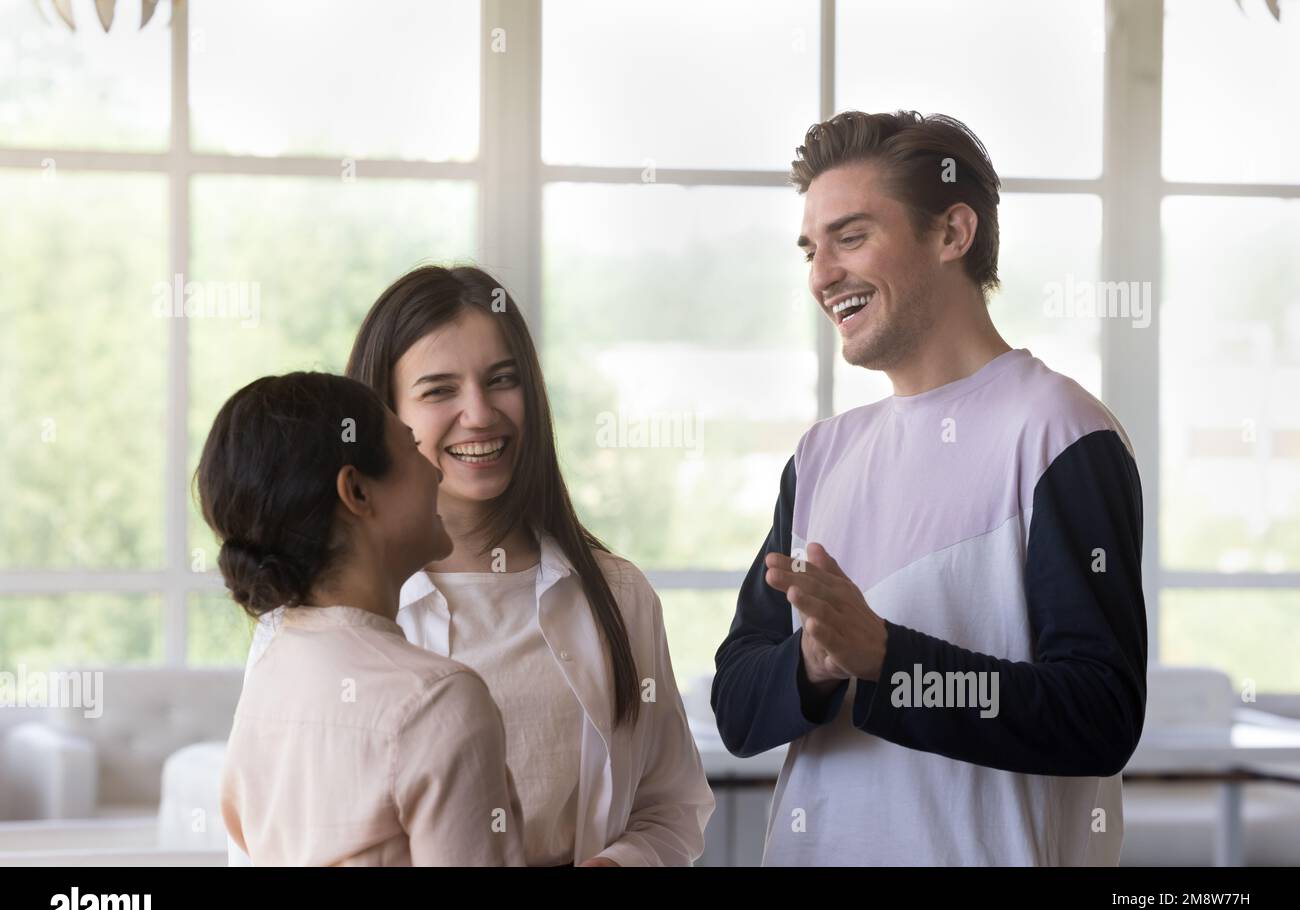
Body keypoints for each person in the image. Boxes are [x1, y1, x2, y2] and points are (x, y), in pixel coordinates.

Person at [712, 110, 1147, 866]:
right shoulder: (822, 454)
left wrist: (886, 657)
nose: (821, 275)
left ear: (952, 233)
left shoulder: (1061, 433)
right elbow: (738, 708)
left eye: (850, 237)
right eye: (812, 250)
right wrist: (813, 663)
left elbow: (1101, 714)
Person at [240, 265, 714, 867]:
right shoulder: (309, 623)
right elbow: (260, 842)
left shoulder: (618, 596)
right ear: (383, 420)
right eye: (439, 390)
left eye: (502, 380)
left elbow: (670, 808)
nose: (481, 413)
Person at [199, 371, 524, 866]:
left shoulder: (271, 670)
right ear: (357, 491)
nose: (435, 472)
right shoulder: (437, 701)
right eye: (412, 448)